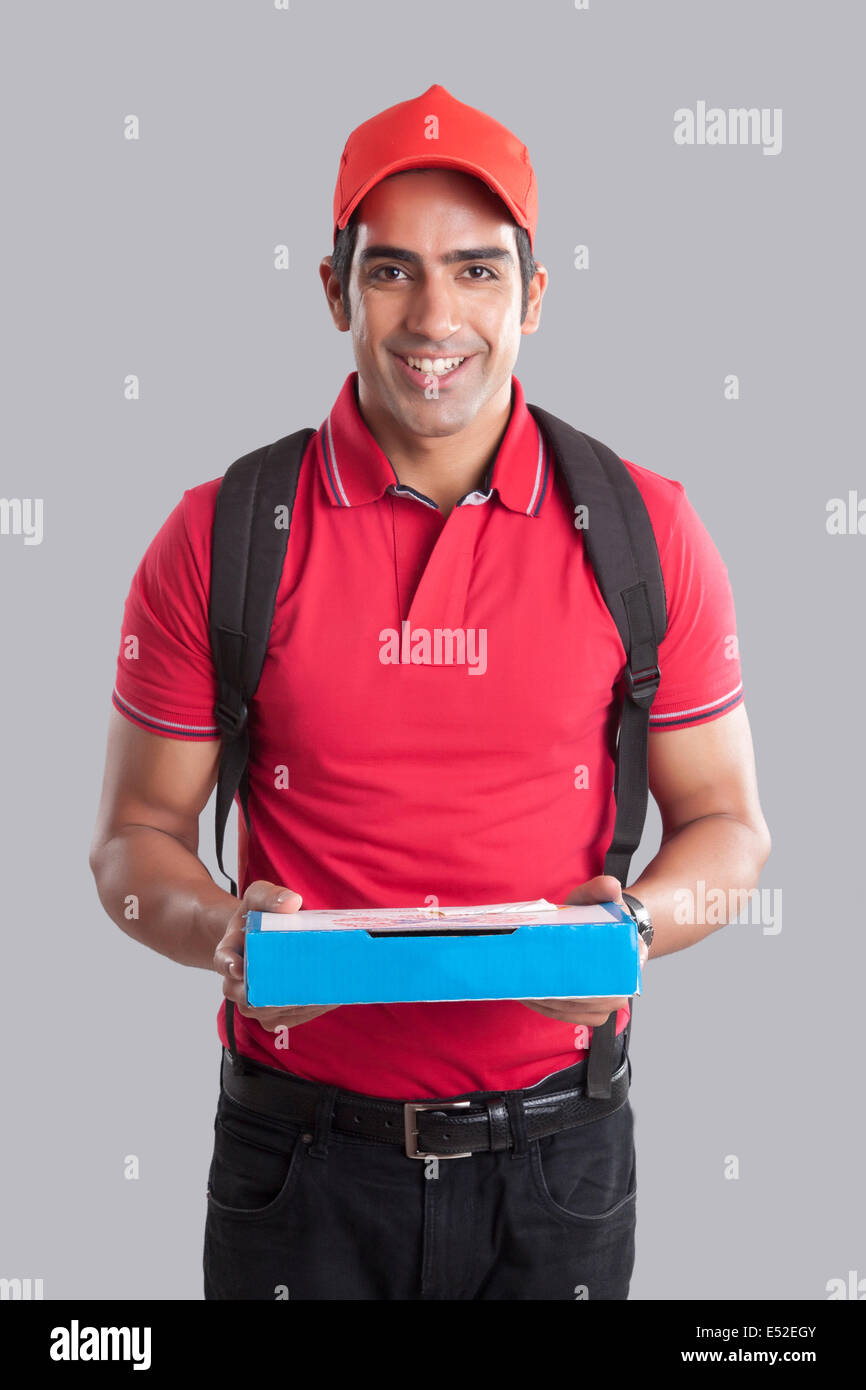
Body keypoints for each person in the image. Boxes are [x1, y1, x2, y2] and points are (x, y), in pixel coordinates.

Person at [89, 84, 771, 1301]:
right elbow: (132, 843)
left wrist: (634, 935)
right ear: (333, 290)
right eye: (393, 271)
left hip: (559, 1164)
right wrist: (219, 933)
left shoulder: (644, 529)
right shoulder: (225, 533)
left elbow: (728, 829)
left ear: (535, 296)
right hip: (296, 1162)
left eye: (476, 271)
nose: (435, 317)